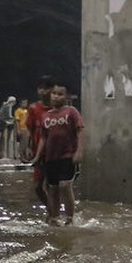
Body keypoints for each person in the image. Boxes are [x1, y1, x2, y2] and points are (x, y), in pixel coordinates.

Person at [30, 81, 84, 225]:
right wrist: (37, 156)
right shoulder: (45, 116)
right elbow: (43, 138)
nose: (56, 97)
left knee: (65, 185)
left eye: (60, 94)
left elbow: (80, 131)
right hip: (50, 158)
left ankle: (70, 218)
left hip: (67, 155)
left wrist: (79, 151)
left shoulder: (71, 111)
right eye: (54, 93)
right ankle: (54, 217)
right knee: (52, 188)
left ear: (66, 97)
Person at [25, 75, 54, 207]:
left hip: (54, 152)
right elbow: (29, 130)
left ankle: (54, 213)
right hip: (38, 152)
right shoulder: (33, 109)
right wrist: (27, 147)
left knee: (51, 185)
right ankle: (51, 208)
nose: (42, 92)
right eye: (40, 88)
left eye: (46, 88)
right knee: (37, 186)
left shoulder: (57, 108)